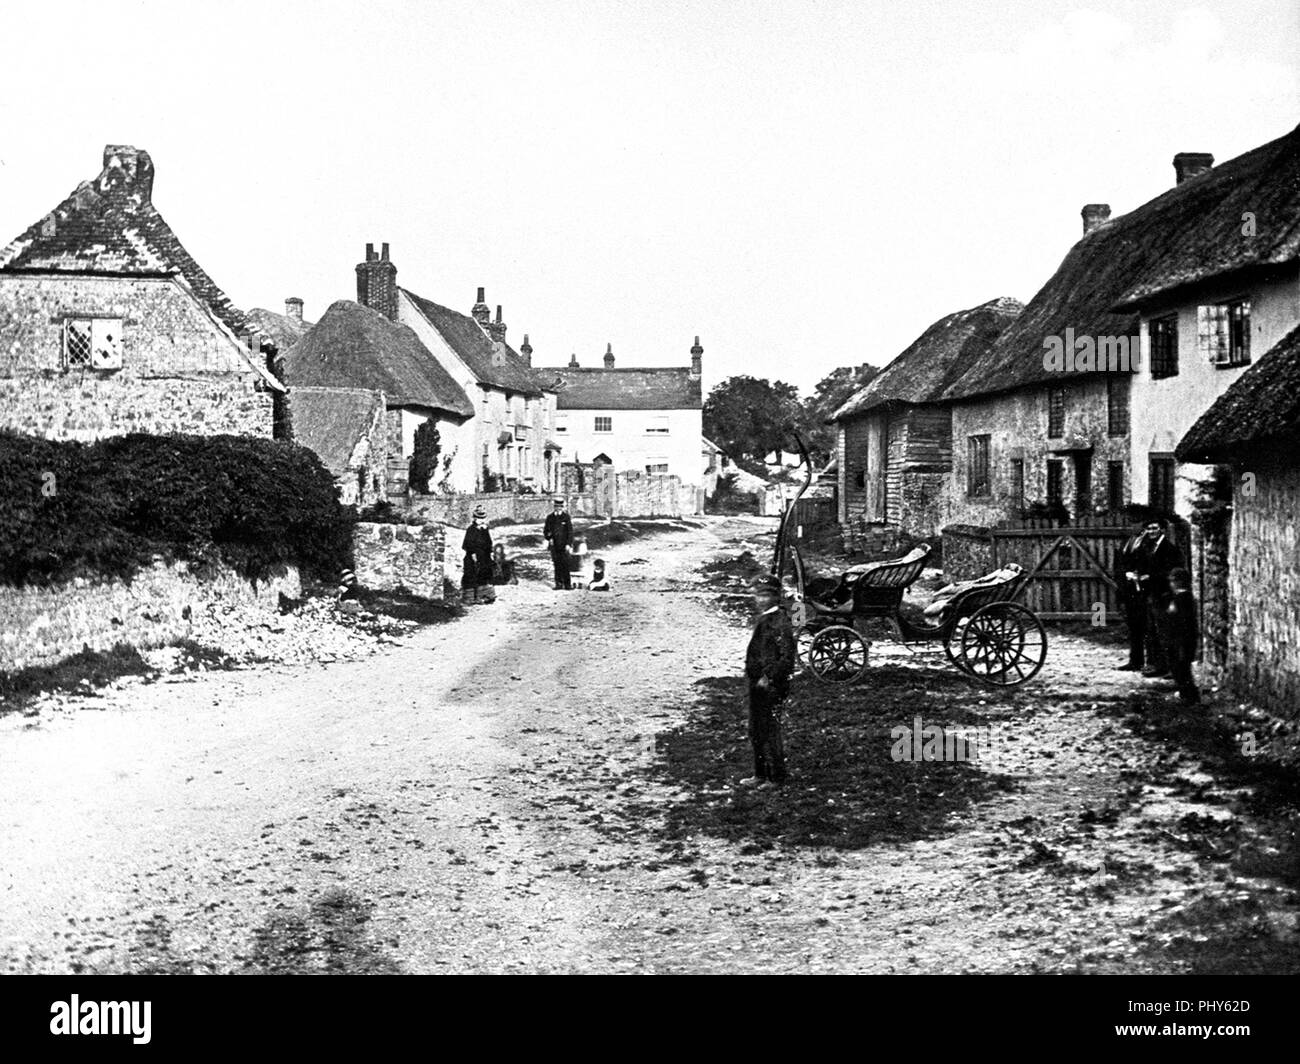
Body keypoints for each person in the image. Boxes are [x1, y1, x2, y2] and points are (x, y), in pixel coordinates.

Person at [741, 574, 796, 787]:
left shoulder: (779, 621)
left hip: (771, 685)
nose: (761, 600)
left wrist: (769, 677)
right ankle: (760, 774)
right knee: (756, 729)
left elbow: (787, 657)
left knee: (770, 730)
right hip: (757, 684)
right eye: (758, 595)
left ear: (777, 597)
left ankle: (776, 777)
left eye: (766, 595)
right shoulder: (766, 619)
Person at [1116, 514, 1183, 676]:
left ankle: (1162, 666)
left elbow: (1172, 572)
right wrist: (1131, 574)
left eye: (1155, 528)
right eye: (1149, 528)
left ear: (1162, 530)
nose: (1151, 531)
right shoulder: (1143, 545)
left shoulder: (1168, 548)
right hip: (1144, 592)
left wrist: (1149, 577)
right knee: (1147, 629)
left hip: (1161, 593)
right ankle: (1143, 662)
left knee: (1161, 631)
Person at [1163, 567, 1201, 704]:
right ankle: (1186, 693)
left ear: (1179, 582)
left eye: (1174, 581)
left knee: (1181, 668)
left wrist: (1179, 640)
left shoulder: (1183, 599)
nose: (1171, 584)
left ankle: (1189, 695)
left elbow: (1184, 622)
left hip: (1181, 641)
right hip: (1178, 639)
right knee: (1179, 668)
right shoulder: (1179, 598)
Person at [461, 506, 495, 605]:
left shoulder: (485, 529)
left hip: (485, 556)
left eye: (483, 518)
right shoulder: (471, 530)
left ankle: (486, 595)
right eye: (479, 518)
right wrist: (472, 554)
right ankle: (471, 598)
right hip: (473, 557)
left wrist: (491, 552)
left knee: (485, 573)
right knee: (472, 575)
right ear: (475, 518)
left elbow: (489, 542)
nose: (481, 520)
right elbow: (468, 544)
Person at [543, 497, 573, 590]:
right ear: (554, 507)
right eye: (557, 506)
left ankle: (567, 585)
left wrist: (568, 544)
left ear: (562, 507)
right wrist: (549, 538)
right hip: (554, 545)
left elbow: (570, 532)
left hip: (564, 545)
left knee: (565, 564)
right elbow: (546, 531)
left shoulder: (566, 517)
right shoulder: (550, 518)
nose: (558, 508)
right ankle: (558, 584)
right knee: (557, 564)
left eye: (560, 506)